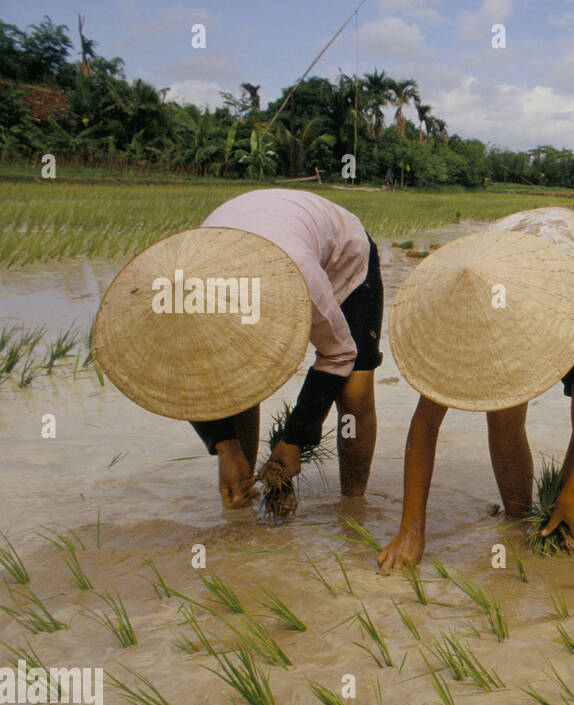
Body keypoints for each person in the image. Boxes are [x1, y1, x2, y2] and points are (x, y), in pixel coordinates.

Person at [92, 188, 383, 510]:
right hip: (256, 231)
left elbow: (339, 354)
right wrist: (224, 447)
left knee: (355, 388)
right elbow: (183, 374)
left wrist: (295, 440)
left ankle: (353, 507)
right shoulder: (182, 283)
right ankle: (244, 501)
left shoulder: (301, 275)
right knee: (238, 376)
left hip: (343, 257)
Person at [377, 207, 574, 571]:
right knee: (502, 403)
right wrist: (411, 529)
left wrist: (569, 493)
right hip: (503, 261)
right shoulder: (460, 301)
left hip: (573, 262)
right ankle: (519, 522)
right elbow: (425, 423)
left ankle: (567, 539)